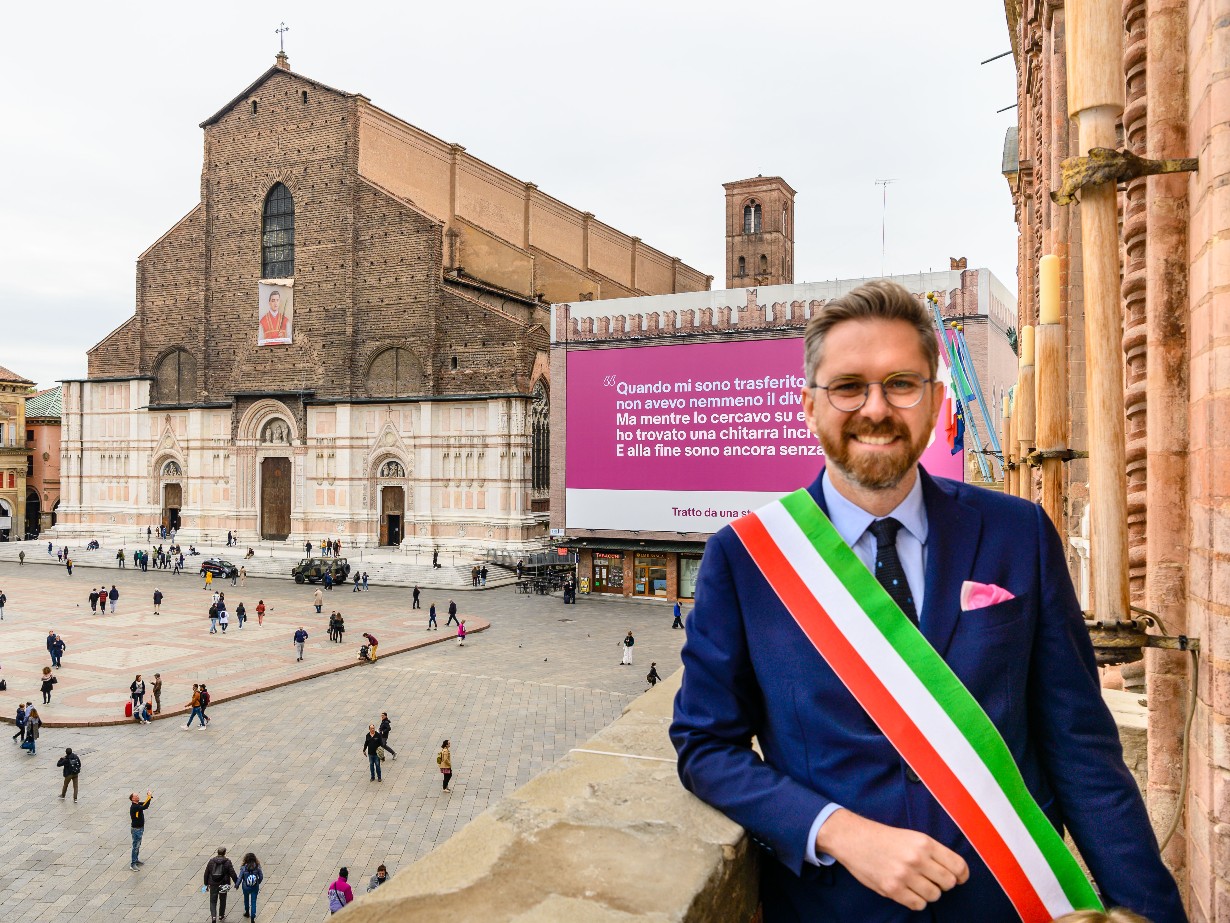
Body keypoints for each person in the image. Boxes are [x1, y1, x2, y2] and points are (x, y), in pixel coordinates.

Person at [669, 280, 1185, 923]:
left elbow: (1080, 742)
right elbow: (705, 747)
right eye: (849, 385)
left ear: (937, 401)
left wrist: (1148, 908)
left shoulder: (1017, 533)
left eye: (902, 384)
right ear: (809, 407)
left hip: (1009, 901)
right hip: (835, 908)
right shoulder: (746, 558)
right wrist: (836, 830)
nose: (876, 408)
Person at [204, 846, 238, 923]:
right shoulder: (227, 862)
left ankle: (213, 917)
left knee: (213, 901)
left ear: (217, 852)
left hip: (213, 884)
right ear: (225, 853)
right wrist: (237, 882)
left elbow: (206, 873)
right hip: (224, 883)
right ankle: (221, 915)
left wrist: (206, 884)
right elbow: (232, 873)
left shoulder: (211, 861)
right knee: (223, 900)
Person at [129, 790, 152, 870]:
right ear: (133, 799)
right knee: (136, 846)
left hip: (140, 829)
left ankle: (136, 860)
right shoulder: (134, 807)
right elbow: (144, 807)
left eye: (138, 795)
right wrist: (149, 796)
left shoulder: (137, 804)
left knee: (138, 845)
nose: (138, 796)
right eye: (136, 796)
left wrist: (149, 798)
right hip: (136, 830)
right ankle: (133, 864)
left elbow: (145, 804)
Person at [239, 852, 264, 921]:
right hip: (254, 886)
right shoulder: (257, 866)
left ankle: (247, 912)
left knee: (246, 899)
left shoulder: (244, 867)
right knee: (253, 901)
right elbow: (261, 876)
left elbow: (240, 877)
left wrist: (237, 884)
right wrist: (258, 882)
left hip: (245, 886)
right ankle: (253, 916)